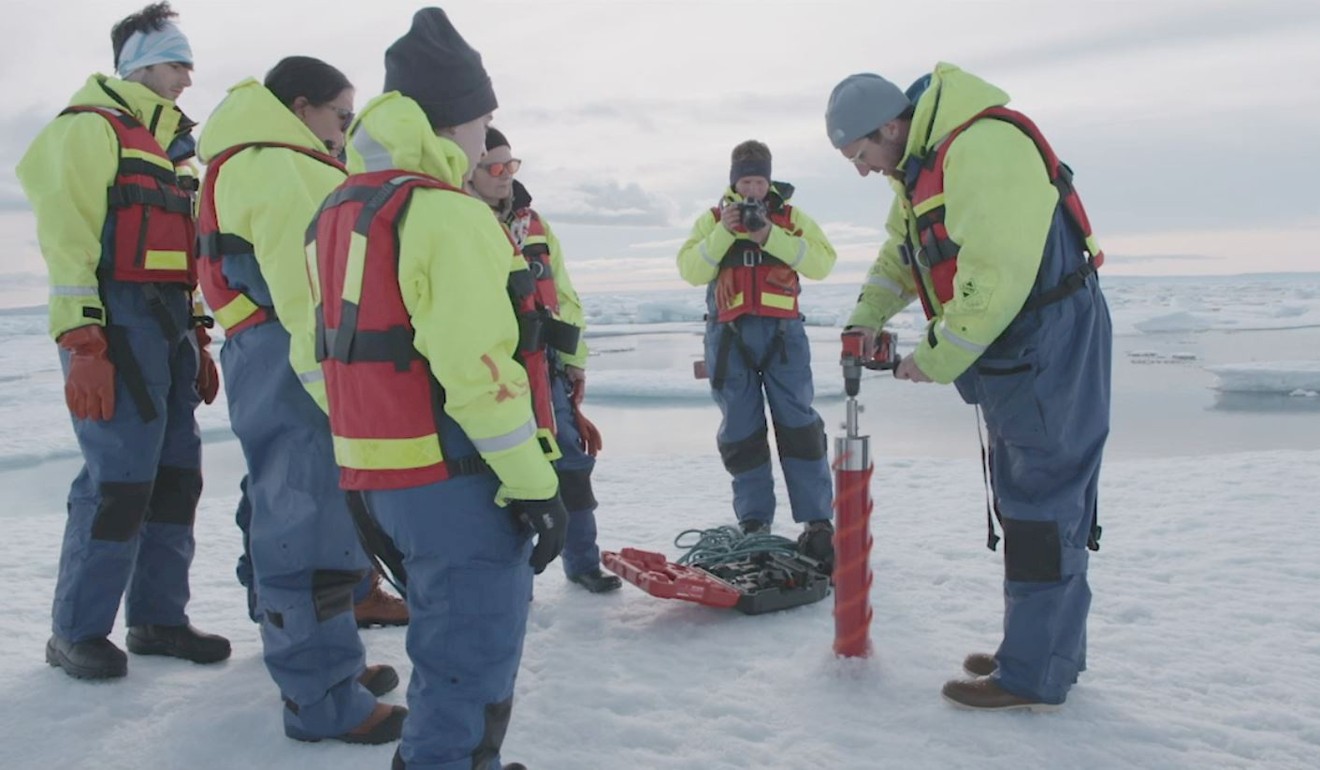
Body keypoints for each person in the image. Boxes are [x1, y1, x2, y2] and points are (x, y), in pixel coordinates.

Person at [306, 9, 566, 769]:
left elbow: (309, 348)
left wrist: (369, 444)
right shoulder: (448, 216)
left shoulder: (338, 209)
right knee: (468, 657)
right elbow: (479, 374)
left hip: (372, 480)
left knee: (445, 642)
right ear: (450, 121)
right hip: (453, 485)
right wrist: (534, 484)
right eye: (485, 122)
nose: (489, 142)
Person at [824, 62, 1111, 710]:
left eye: (861, 152)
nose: (862, 168)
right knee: (1028, 496)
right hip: (1017, 347)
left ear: (890, 126)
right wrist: (866, 317)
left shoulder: (981, 145)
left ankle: (1033, 675)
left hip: (1043, 340)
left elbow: (995, 272)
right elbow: (906, 256)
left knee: (1042, 501)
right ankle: (1042, 650)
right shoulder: (921, 166)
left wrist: (935, 355)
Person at [15, 1, 229, 681]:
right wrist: (83, 340)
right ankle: (75, 631)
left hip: (165, 323)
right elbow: (66, 238)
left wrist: (197, 332)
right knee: (120, 481)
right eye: (177, 63)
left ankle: (158, 619)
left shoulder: (171, 150)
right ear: (138, 63)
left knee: (175, 477)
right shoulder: (87, 130)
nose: (188, 78)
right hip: (114, 322)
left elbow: (184, 250)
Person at [195, 56, 405, 744]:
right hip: (292, 355)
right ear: (302, 106)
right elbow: (308, 289)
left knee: (294, 504)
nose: (344, 133)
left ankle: (316, 660)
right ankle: (320, 697)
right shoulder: (277, 164)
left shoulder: (257, 160)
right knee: (306, 517)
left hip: (269, 353)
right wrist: (339, 388)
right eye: (340, 118)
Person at [467, 127, 622, 595]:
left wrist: (573, 357)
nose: (504, 176)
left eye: (510, 166)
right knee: (498, 471)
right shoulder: (457, 219)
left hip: (545, 362)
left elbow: (565, 293)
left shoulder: (535, 224)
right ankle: (510, 578)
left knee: (571, 459)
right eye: (494, 167)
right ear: (468, 170)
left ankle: (583, 561)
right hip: (489, 369)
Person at [676, 140, 838, 570]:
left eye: (759, 181)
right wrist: (724, 232)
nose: (751, 191)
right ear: (733, 182)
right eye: (745, 181)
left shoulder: (790, 218)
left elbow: (823, 263)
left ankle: (818, 524)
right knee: (742, 432)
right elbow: (691, 270)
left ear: (769, 181)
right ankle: (754, 525)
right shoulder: (712, 220)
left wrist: (770, 235)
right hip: (729, 340)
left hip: (783, 338)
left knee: (799, 427)